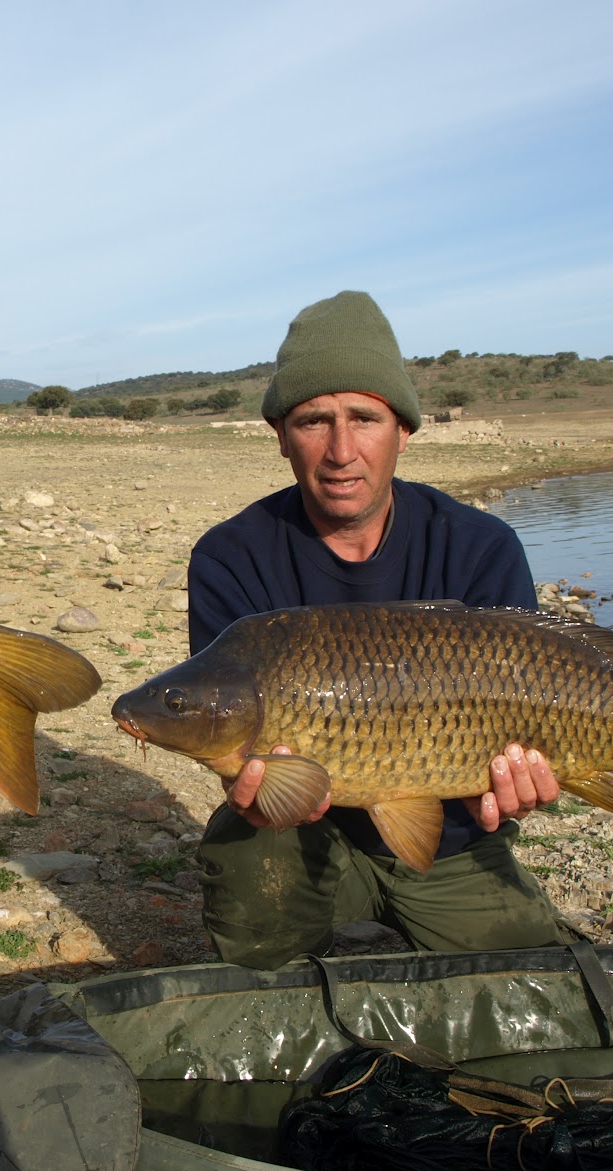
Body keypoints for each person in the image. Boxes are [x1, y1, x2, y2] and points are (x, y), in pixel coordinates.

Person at [188, 290, 573, 970]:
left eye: (364, 418)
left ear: (404, 429)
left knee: (532, 991)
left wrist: (519, 791)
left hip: (452, 837)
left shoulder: (481, 547)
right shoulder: (231, 557)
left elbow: (530, 729)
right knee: (245, 854)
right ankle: (283, 984)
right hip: (302, 838)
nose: (341, 450)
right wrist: (248, 789)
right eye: (314, 420)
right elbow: (232, 738)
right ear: (281, 436)